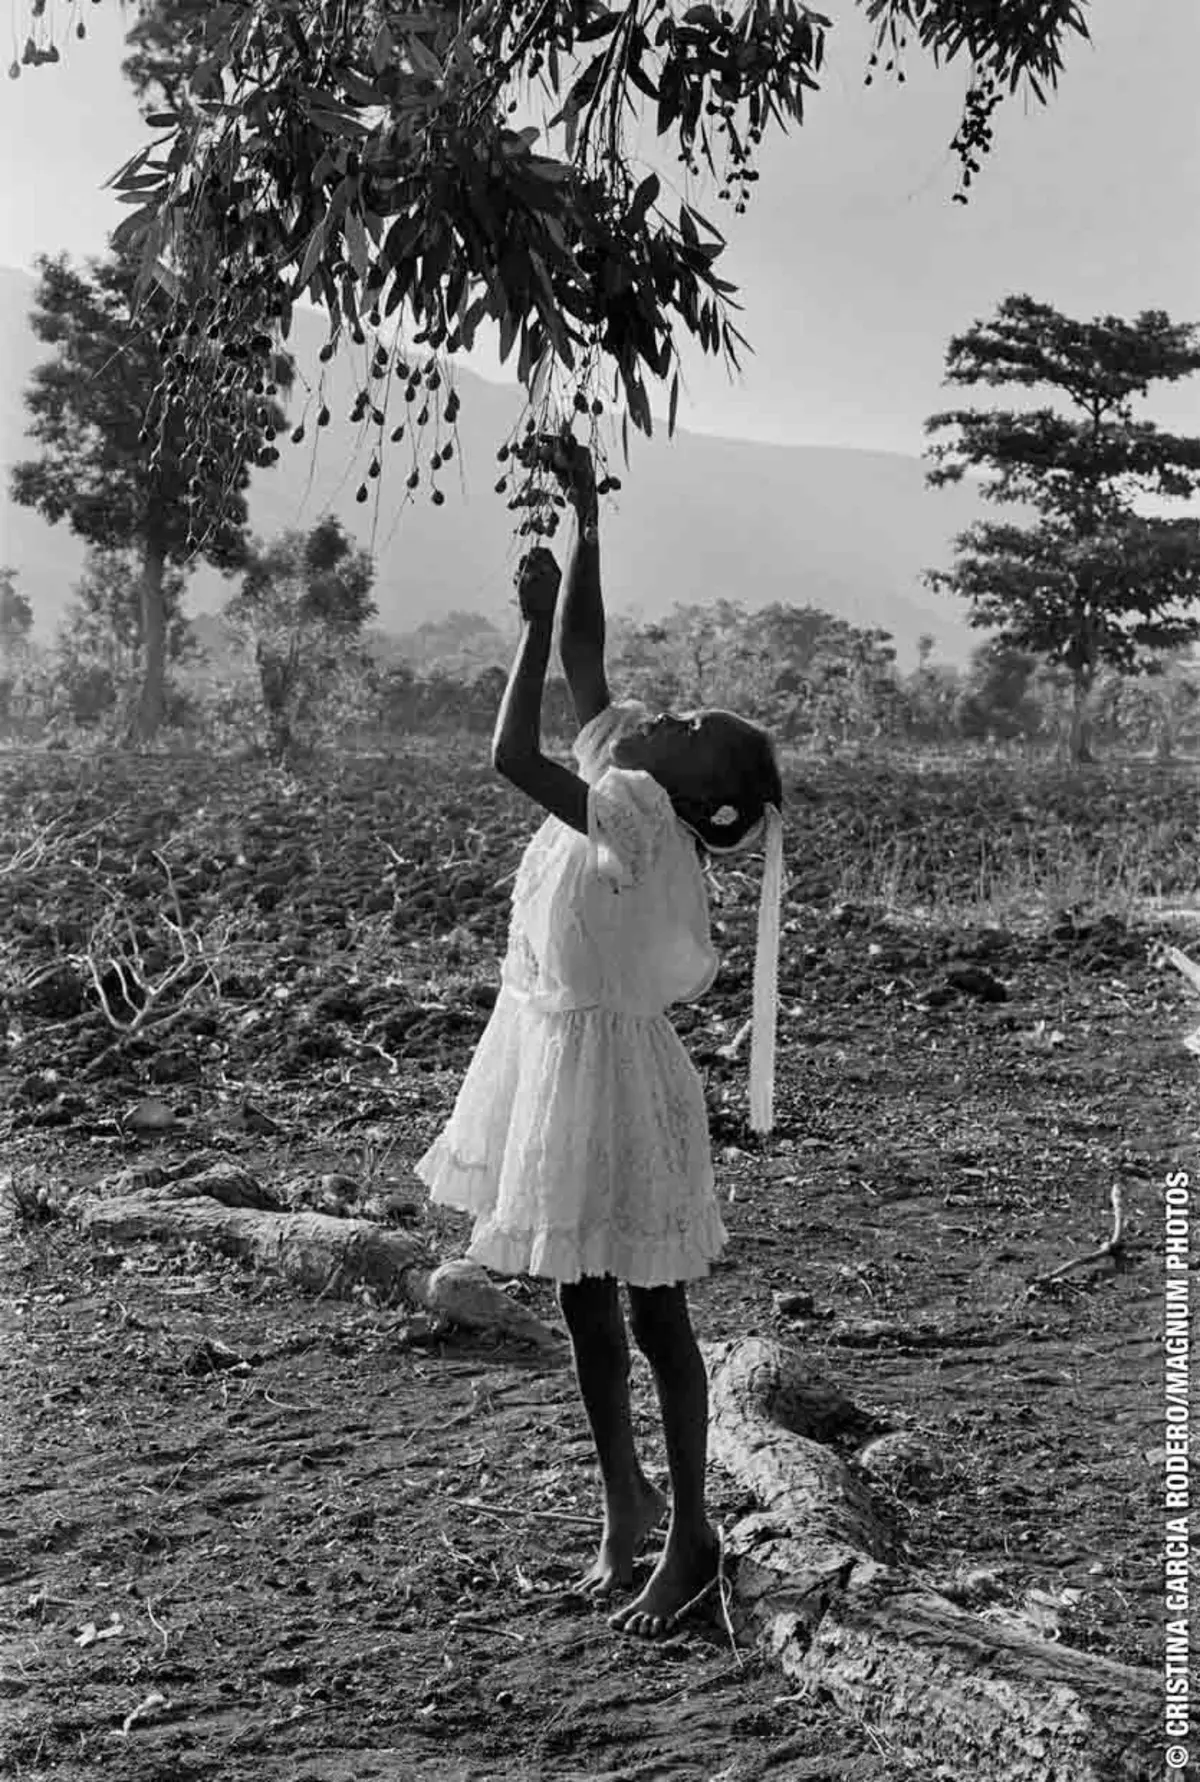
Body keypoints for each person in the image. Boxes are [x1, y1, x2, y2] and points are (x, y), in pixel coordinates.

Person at [415, 438, 785, 1639]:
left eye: (694, 728)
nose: (668, 714)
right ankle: (625, 1509)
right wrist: (584, 513)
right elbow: (593, 654)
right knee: (584, 1304)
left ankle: (692, 1530)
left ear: (707, 797)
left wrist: (521, 625)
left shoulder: (634, 812)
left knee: (656, 1314)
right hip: (564, 1065)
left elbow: (511, 750)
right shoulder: (635, 776)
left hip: (620, 1084)